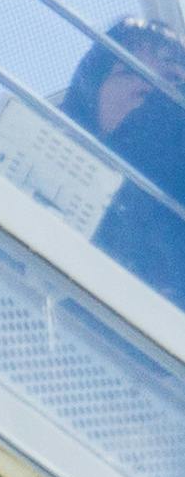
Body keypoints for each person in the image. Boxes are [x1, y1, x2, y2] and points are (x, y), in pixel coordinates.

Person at [61, 17, 185, 307]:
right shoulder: (64, 200)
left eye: (172, 79)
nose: (150, 86)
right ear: (89, 99)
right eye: (130, 71)